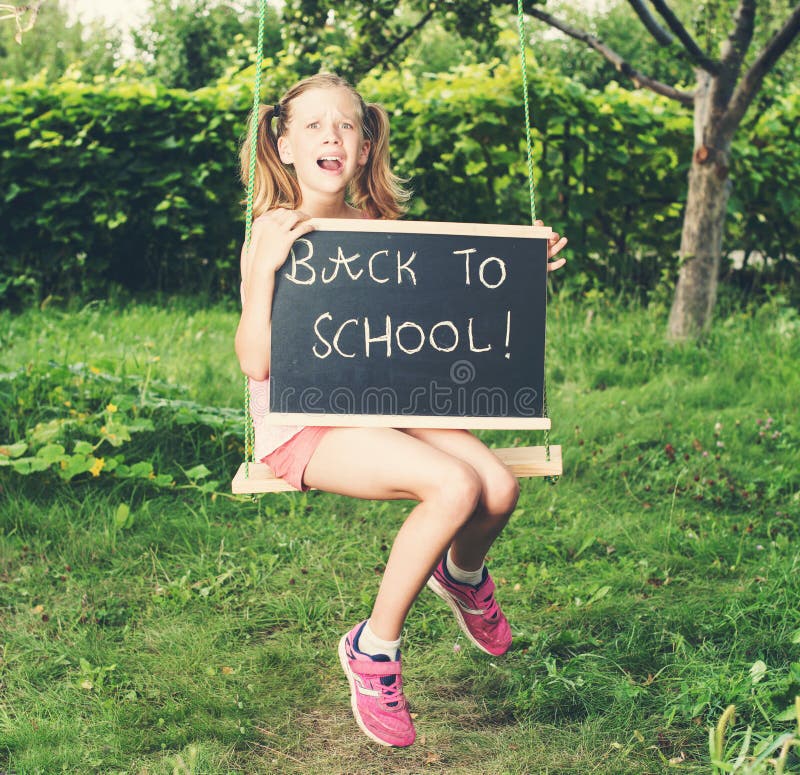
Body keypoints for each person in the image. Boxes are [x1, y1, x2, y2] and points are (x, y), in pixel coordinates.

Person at [235, 72, 567, 748]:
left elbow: (431, 323)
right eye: (314, 124)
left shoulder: (377, 230)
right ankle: (373, 648)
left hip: (385, 399)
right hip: (306, 420)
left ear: (362, 148)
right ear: (286, 144)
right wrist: (265, 269)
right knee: (454, 484)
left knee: (498, 490)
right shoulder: (271, 232)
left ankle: (461, 574)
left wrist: (524, 271)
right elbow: (255, 362)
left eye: (347, 124)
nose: (332, 133)